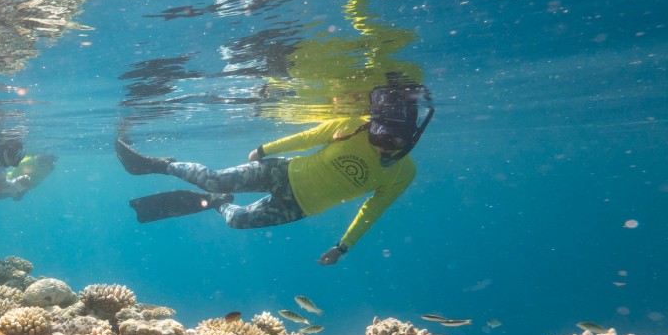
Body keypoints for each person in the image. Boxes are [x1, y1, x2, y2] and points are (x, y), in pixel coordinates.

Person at [116, 76, 432, 264]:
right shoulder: (353, 127)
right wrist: (266, 150)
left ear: (412, 139)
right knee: (213, 179)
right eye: (378, 136)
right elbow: (309, 137)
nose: (384, 146)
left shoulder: (404, 173)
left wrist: (343, 246)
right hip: (282, 171)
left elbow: (371, 210)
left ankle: (216, 202)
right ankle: (157, 164)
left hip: (295, 207)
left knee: (236, 221)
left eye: (395, 142)